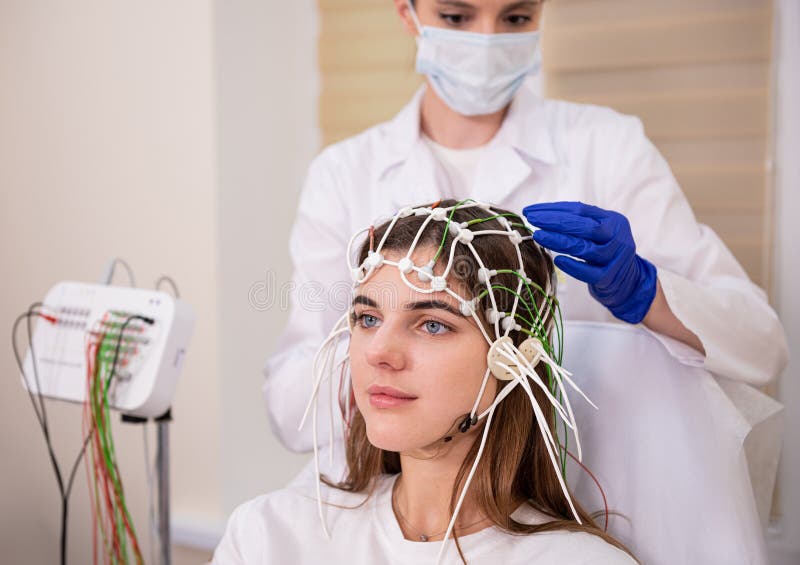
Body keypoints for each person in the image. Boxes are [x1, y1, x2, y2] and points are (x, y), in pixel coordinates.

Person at [263, 0, 788, 455]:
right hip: (402, 493)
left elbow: (763, 345)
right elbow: (290, 406)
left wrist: (645, 292)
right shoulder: (344, 174)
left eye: (516, 16)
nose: (488, 39)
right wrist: (384, 335)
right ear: (408, 14)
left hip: (580, 479)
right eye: (455, 15)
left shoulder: (606, 145)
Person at [215, 202, 637, 564]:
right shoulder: (268, 538)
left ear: (514, 358)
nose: (379, 352)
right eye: (368, 318)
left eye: (432, 325)